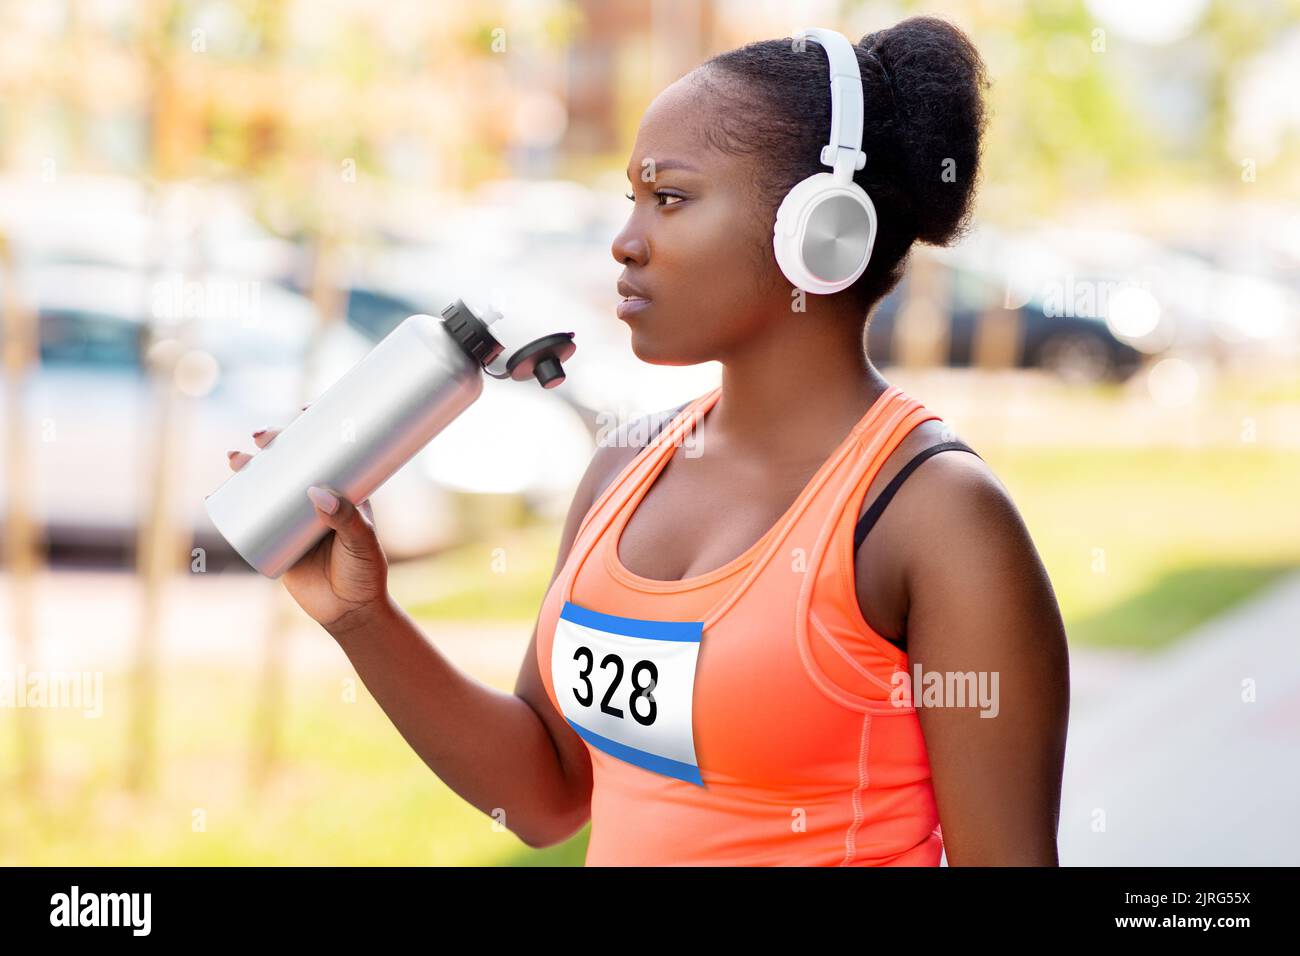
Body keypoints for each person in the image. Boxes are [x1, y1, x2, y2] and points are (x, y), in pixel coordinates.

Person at [226, 16, 1068, 866]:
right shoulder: (624, 468)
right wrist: (360, 616)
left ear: (822, 231)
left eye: (669, 198)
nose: (627, 240)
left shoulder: (938, 518)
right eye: (630, 198)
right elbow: (549, 796)